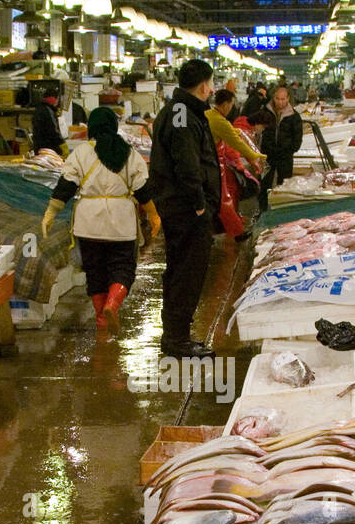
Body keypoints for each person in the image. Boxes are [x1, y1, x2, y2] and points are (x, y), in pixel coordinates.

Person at [42, 107, 158, 331]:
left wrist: (50, 213)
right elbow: (143, 189)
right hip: (121, 222)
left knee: (95, 272)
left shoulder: (81, 153)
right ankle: (113, 305)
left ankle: (101, 320)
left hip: (88, 224)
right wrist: (154, 215)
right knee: (122, 268)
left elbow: (66, 186)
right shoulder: (130, 154)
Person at [148, 58, 221, 359]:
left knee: (181, 270)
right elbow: (187, 164)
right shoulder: (182, 115)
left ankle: (175, 335)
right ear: (204, 85)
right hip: (186, 211)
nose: (213, 88)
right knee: (186, 273)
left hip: (180, 208)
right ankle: (177, 340)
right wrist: (200, 205)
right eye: (212, 83)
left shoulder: (180, 111)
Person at [207, 89, 265, 241]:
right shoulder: (219, 121)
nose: (232, 108)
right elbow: (236, 142)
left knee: (212, 201)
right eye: (232, 104)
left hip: (208, 165)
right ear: (226, 104)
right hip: (216, 166)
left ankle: (209, 233)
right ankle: (237, 233)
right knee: (224, 200)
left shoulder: (208, 115)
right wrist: (255, 156)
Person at [260, 86, 303, 211]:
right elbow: (261, 132)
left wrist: (290, 150)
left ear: (288, 98)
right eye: (278, 99)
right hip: (268, 155)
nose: (280, 102)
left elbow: (297, 138)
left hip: (286, 156)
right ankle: (263, 211)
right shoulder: (265, 112)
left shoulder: (294, 116)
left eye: (283, 99)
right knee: (265, 184)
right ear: (274, 98)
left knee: (285, 184)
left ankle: (283, 211)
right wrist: (267, 149)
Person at [32, 89, 66, 155]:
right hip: (48, 149)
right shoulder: (48, 111)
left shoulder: (40, 108)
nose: (58, 101)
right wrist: (62, 144)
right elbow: (53, 130)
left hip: (39, 148)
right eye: (57, 99)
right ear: (52, 99)